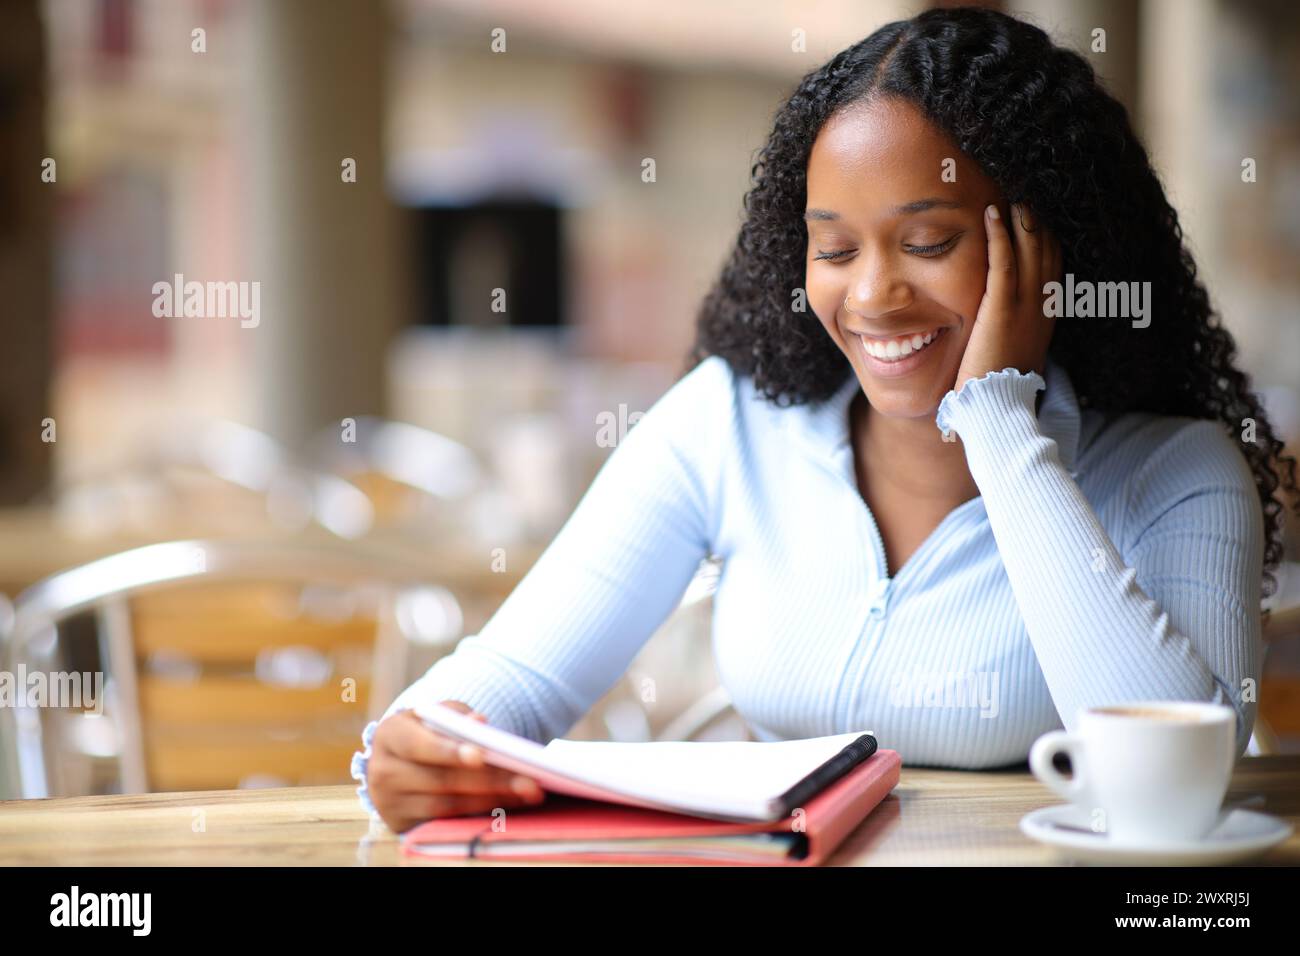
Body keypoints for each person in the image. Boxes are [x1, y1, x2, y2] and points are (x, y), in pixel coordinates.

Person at [354, 7, 1299, 834]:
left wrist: (1004, 428)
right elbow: (517, 678)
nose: (875, 294)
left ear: (1051, 249)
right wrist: (417, 748)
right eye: (835, 248)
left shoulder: (1178, 470)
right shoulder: (730, 424)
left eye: (928, 242)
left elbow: (1181, 789)